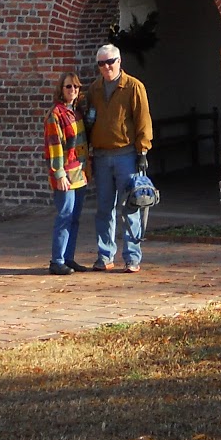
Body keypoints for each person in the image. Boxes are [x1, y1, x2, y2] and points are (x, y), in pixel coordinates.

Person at [86, 42, 152, 273]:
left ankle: (132, 257)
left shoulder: (133, 87)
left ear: (119, 61)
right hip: (102, 155)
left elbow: (143, 119)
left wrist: (142, 150)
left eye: (110, 62)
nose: (106, 67)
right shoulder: (94, 89)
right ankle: (105, 256)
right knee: (104, 208)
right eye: (101, 64)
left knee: (131, 206)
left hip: (126, 153)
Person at [44, 72, 91, 276]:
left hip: (79, 172)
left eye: (76, 87)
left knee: (75, 217)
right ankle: (57, 260)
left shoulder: (77, 112)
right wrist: (59, 174)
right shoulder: (56, 114)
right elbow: (54, 147)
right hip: (66, 173)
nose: (73, 90)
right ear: (61, 90)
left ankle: (69, 257)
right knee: (65, 215)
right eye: (68, 87)